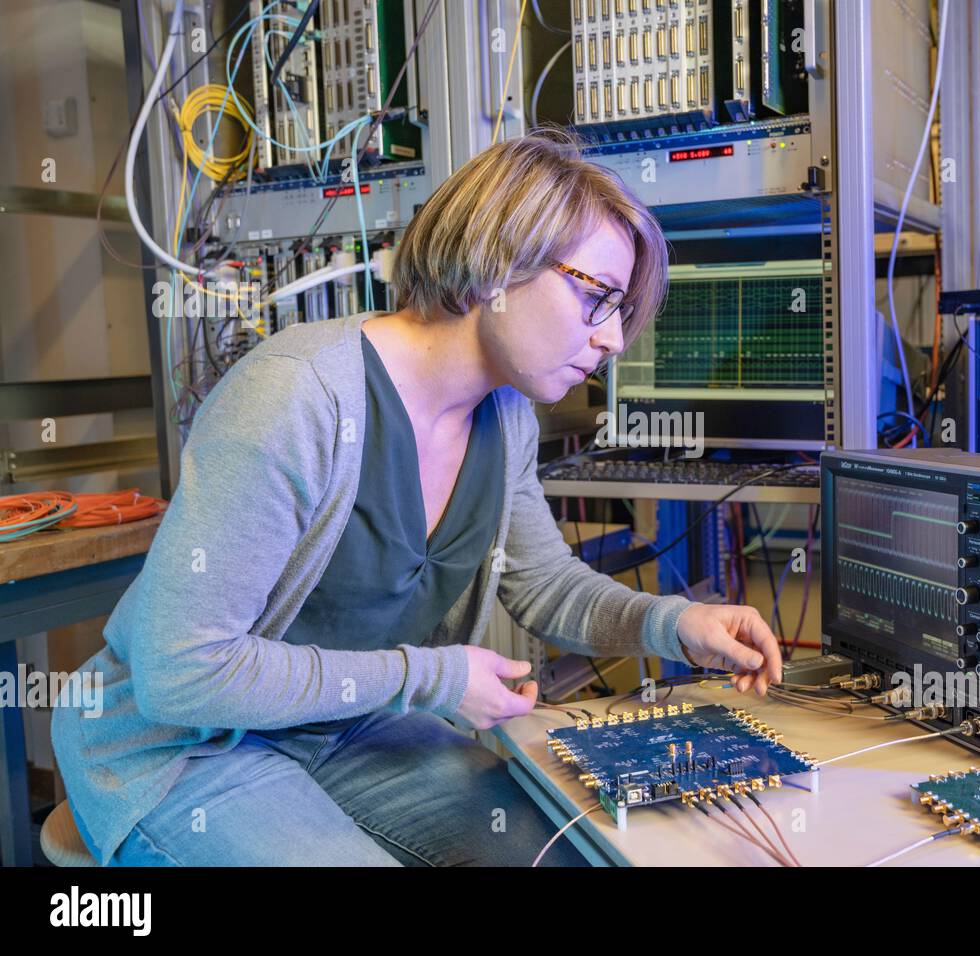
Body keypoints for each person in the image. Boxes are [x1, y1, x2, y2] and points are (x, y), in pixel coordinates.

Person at [51, 131, 784, 866]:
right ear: (499, 261)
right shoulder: (294, 395)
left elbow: (548, 589)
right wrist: (431, 678)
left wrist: (676, 623)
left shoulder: (506, 419)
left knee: (565, 856)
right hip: (187, 748)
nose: (615, 341)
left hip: (354, 723)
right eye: (598, 297)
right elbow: (184, 672)